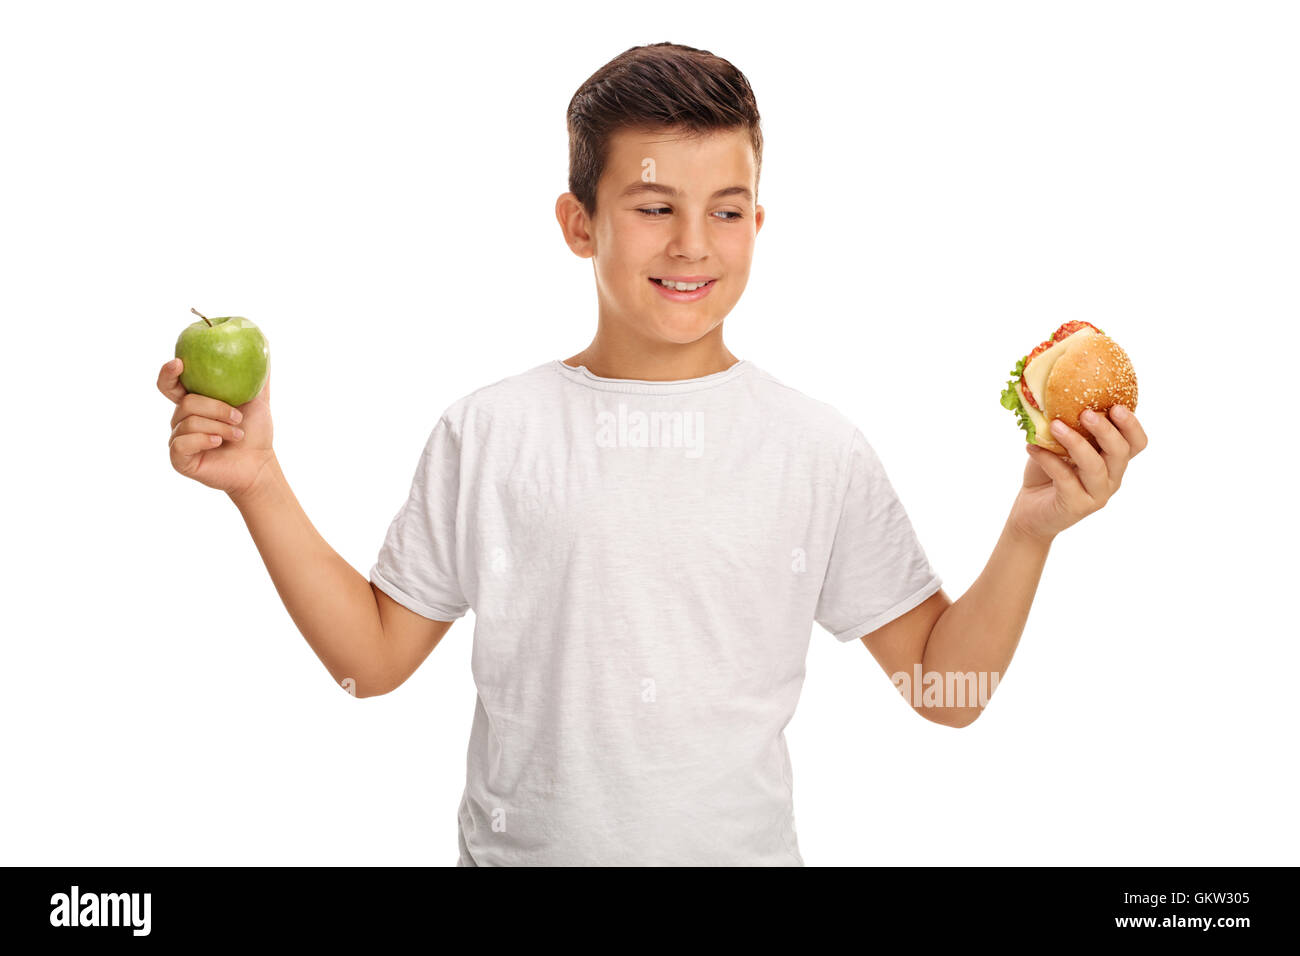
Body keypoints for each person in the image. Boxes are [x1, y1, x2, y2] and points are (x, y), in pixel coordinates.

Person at [157, 42, 1148, 866]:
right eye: (651, 205)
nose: (692, 244)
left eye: (725, 208)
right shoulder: (490, 430)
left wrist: (1029, 529)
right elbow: (369, 664)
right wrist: (259, 481)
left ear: (757, 222)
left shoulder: (815, 446)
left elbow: (946, 692)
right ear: (577, 223)